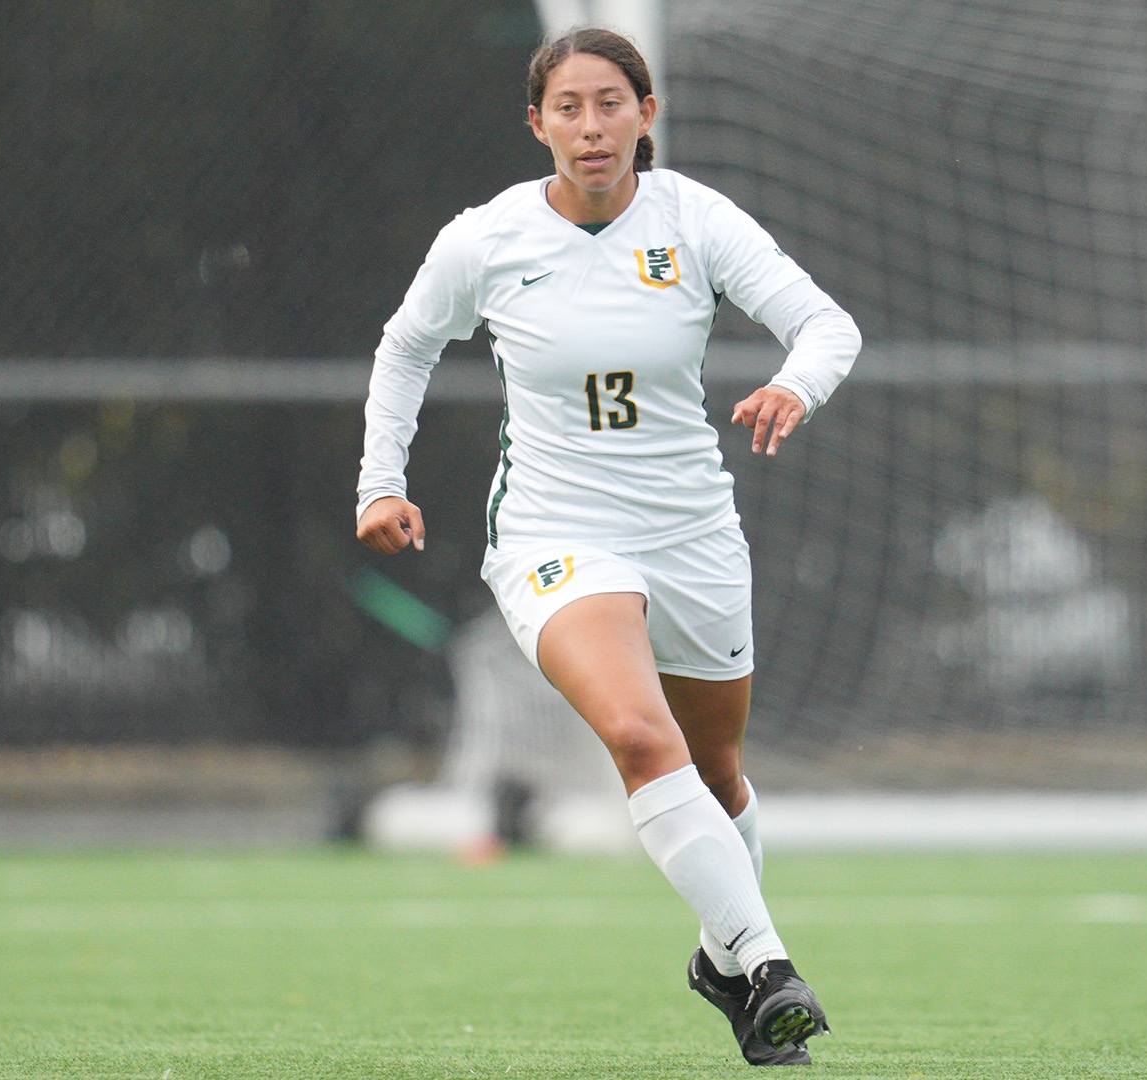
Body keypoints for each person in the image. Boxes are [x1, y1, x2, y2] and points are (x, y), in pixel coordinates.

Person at [354, 26, 860, 1067]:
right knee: (638, 734)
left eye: (611, 103)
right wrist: (381, 482)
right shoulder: (486, 238)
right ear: (537, 124)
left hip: (692, 532)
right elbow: (406, 344)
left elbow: (828, 328)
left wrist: (791, 386)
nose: (592, 126)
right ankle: (764, 967)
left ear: (647, 114)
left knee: (717, 775)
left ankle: (721, 961)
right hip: (555, 534)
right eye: (570, 108)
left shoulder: (696, 221)